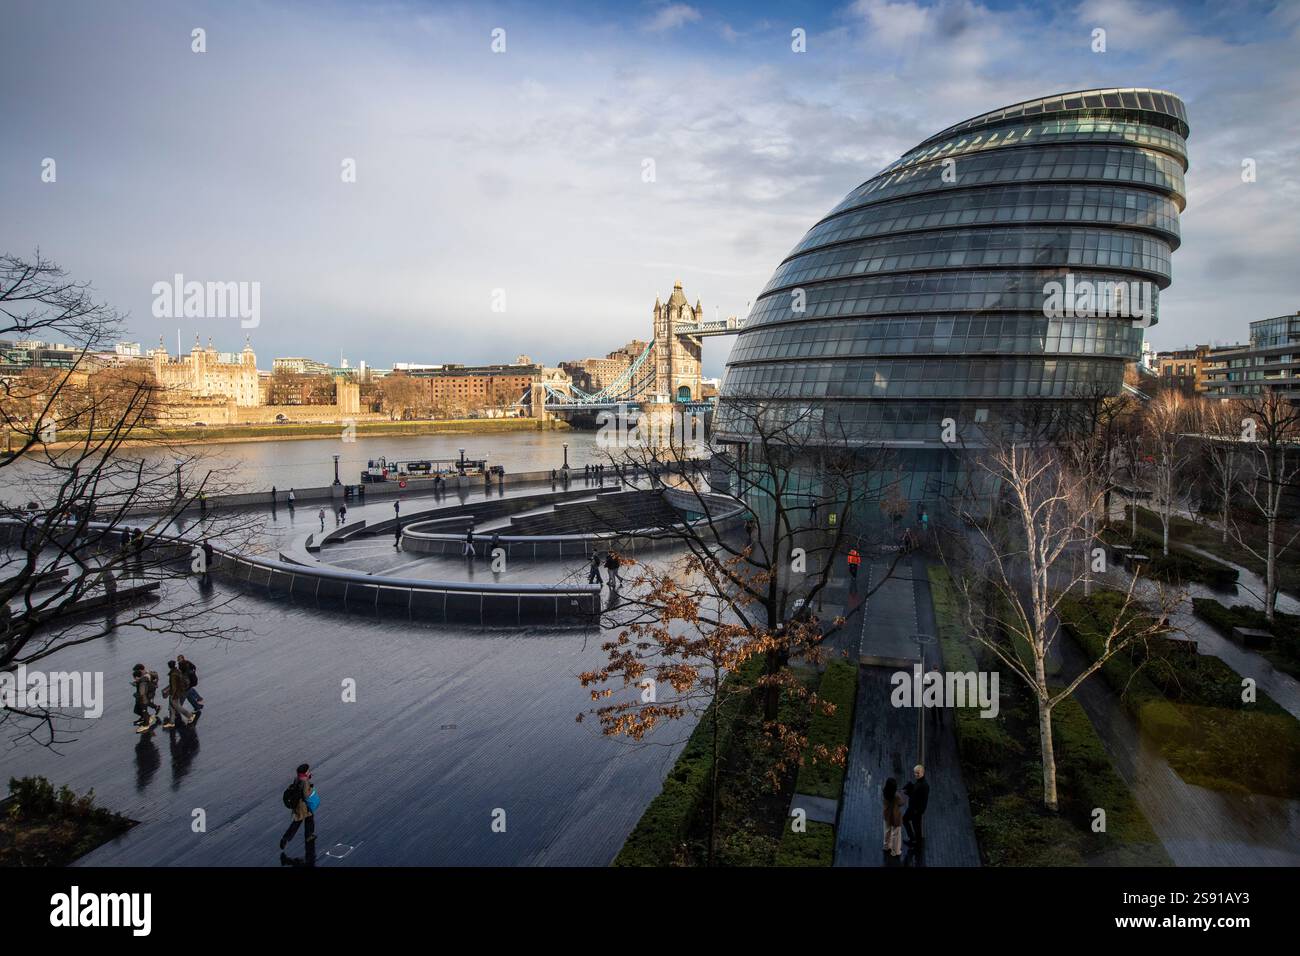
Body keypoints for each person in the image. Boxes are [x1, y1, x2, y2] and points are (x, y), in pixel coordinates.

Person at [279, 763, 317, 856]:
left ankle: (287, 838)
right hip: (303, 806)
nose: (309, 772)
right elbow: (306, 795)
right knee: (304, 821)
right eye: (308, 771)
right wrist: (311, 789)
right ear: (305, 772)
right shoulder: (305, 781)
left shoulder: (297, 779)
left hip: (298, 805)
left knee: (301, 821)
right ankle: (307, 836)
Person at [162, 660, 194, 728]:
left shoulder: (173, 674)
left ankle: (189, 716)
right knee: (171, 708)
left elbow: (174, 686)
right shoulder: (177, 671)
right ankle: (171, 722)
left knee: (177, 707)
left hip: (175, 694)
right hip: (178, 692)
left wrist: (172, 695)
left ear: (169, 666)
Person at [903, 764, 929, 847]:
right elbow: (915, 794)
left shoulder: (924, 785)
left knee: (915, 825)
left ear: (923, 773)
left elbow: (922, 799)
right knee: (909, 822)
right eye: (915, 773)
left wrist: (919, 811)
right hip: (913, 808)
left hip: (916, 810)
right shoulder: (920, 782)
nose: (916, 775)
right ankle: (914, 840)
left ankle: (916, 842)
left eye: (918, 773)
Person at [882, 777, 905, 858]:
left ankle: (886, 846)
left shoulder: (884, 791)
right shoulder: (896, 796)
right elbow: (902, 803)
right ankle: (895, 851)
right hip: (895, 817)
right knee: (896, 834)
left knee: (887, 830)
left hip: (887, 814)